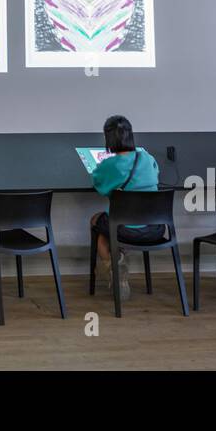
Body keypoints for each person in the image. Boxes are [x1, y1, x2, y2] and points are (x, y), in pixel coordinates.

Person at [88, 114, 161, 301]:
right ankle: (117, 261)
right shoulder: (147, 158)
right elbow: (156, 176)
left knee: (97, 222)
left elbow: (99, 185)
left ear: (108, 139)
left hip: (126, 230)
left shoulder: (111, 164)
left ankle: (114, 268)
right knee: (110, 227)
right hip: (155, 228)